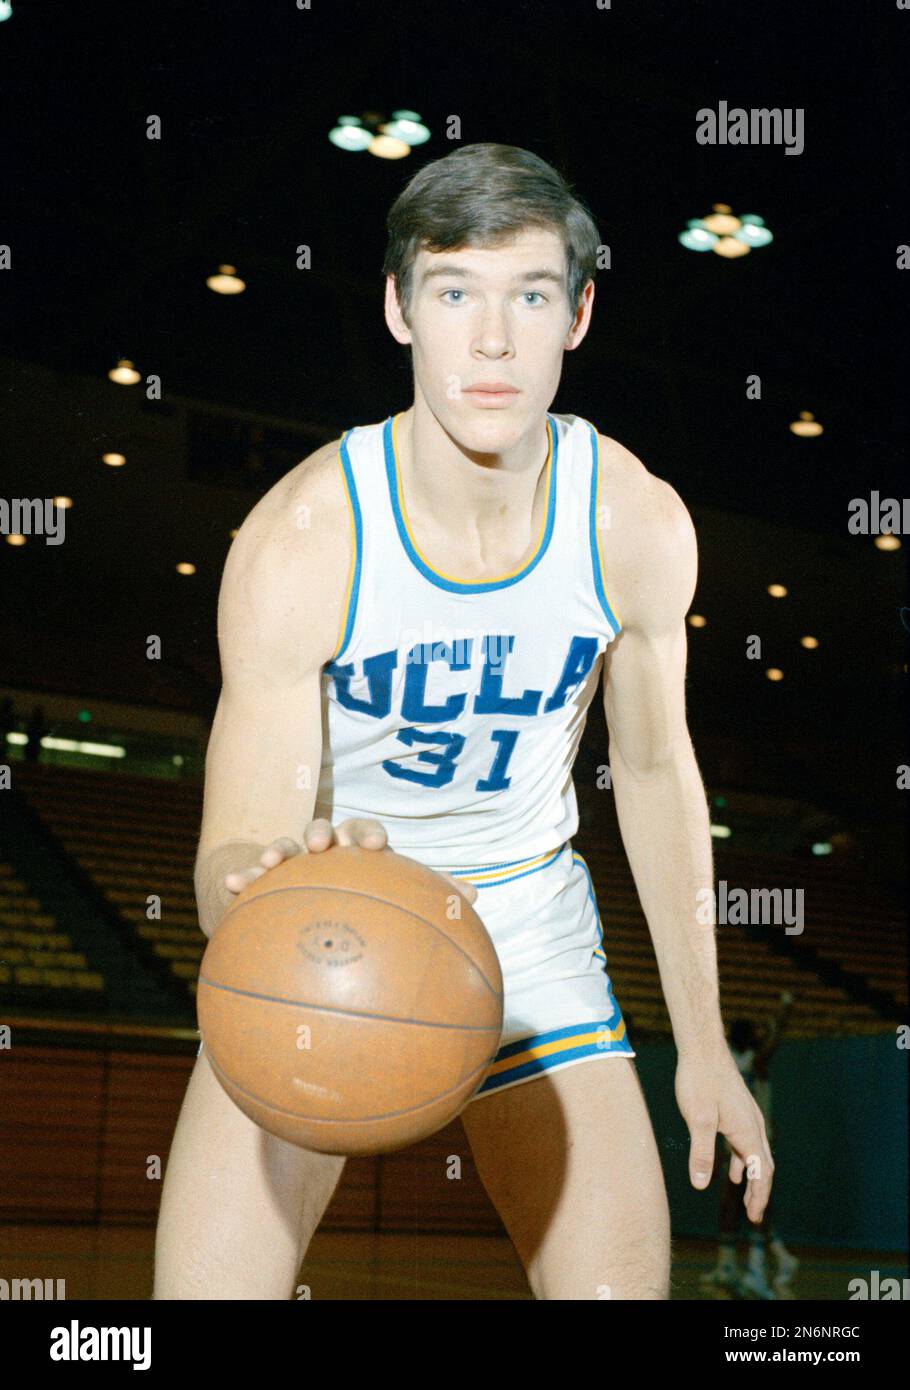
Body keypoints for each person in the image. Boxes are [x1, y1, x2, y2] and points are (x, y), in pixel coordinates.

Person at [154, 143, 773, 1300]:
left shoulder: (632, 521)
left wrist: (703, 1042)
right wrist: (263, 884)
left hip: (528, 928)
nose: (492, 341)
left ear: (579, 314)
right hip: (329, 921)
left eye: (529, 295)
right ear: (399, 308)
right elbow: (227, 852)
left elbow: (650, 771)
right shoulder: (304, 537)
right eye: (454, 293)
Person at [702, 992, 797, 1298]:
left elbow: (775, 1037)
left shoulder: (757, 1062)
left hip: (757, 1144)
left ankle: (757, 1271)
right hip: (734, 1143)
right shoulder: (731, 1063)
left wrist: (783, 1008)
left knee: (755, 1206)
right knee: (729, 1204)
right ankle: (730, 1266)